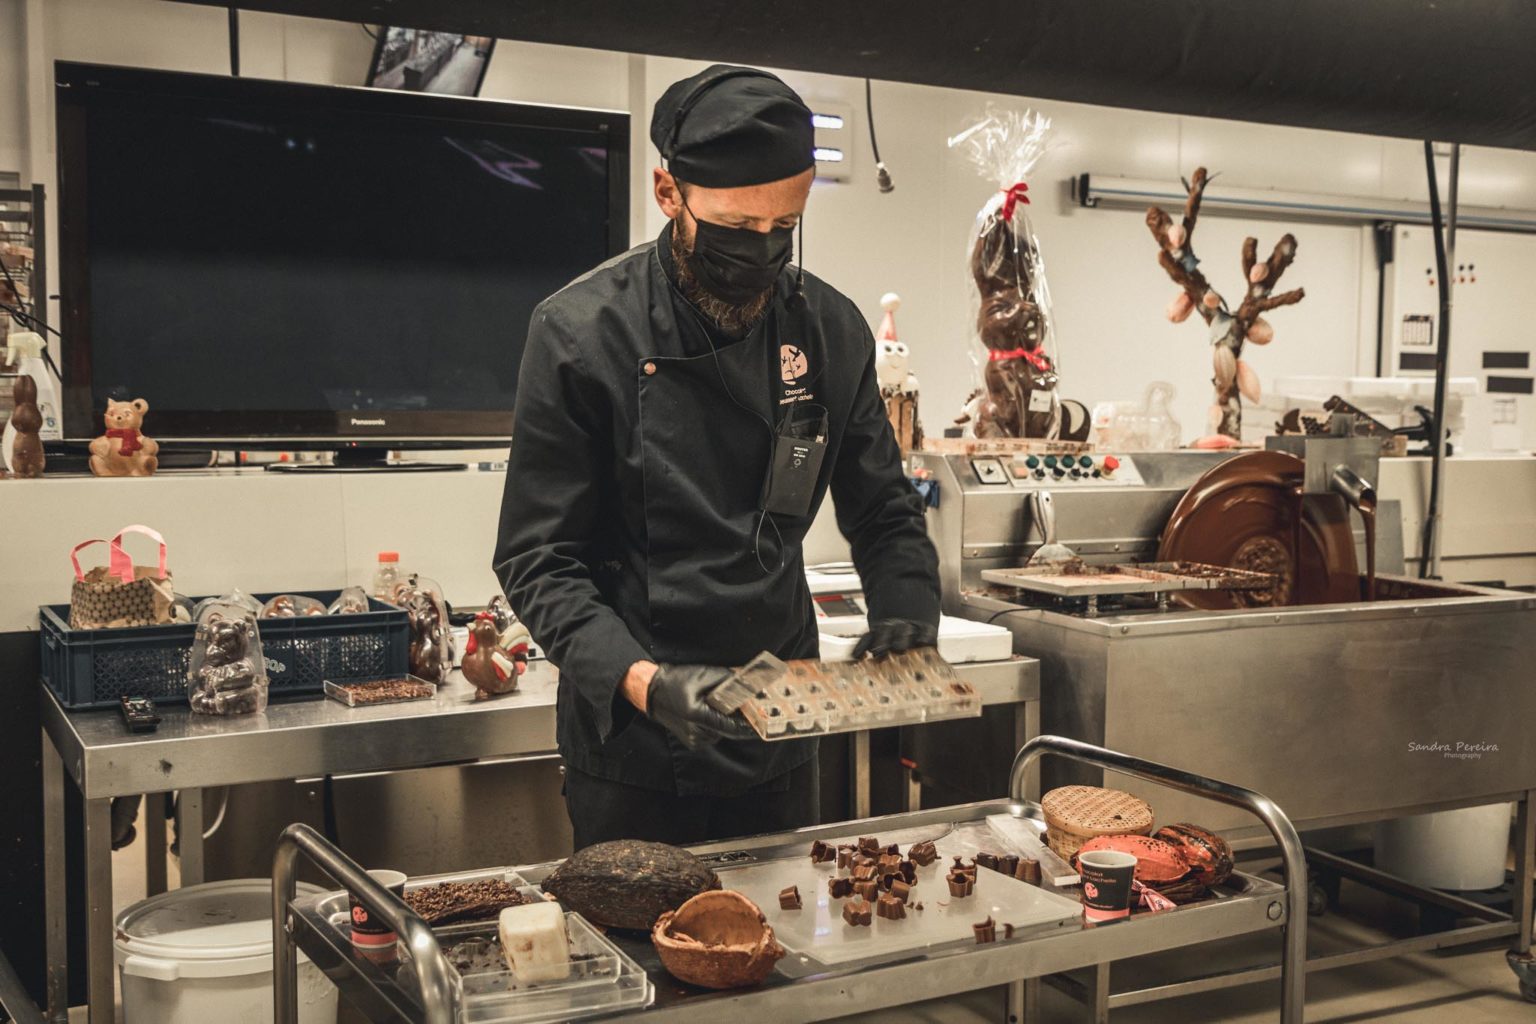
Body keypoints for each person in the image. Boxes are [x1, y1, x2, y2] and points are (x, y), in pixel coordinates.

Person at [493, 65, 940, 850]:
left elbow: (883, 509)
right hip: (635, 741)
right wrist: (645, 681)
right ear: (669, 193)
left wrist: (906, 613)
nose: (760, 252)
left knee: (780, 920)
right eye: (736, 227)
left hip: (780, 728)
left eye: (783, 227)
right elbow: (538, 558)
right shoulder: (581, 333)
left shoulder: (830, 331)